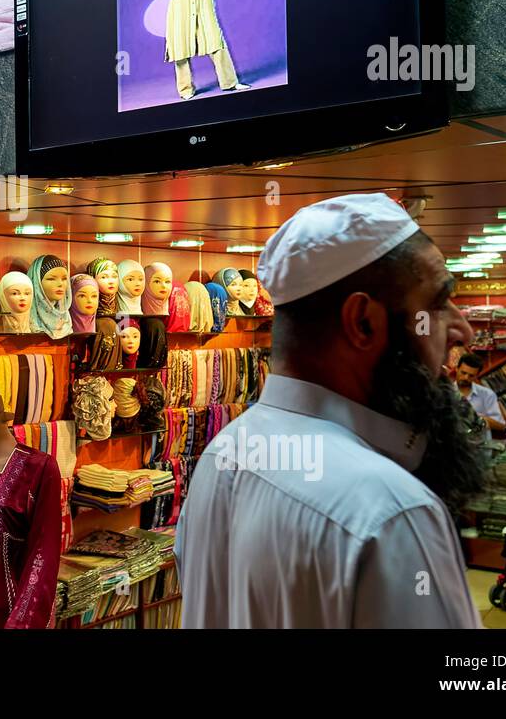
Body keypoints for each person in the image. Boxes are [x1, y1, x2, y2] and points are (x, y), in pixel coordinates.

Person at [175, 192, 488, 628]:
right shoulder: (391, 512)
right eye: (436, 305)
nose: (463, 330)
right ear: (363, 322)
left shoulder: (224, 454)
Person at [453, 352, 506, 436]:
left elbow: (501, 425)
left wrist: (475, 418)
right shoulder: (444, 392)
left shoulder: (487, 395)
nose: (466, 378)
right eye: (463, 373)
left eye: (471, 375)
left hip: (480, 447)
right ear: (456, 369)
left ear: (477, 376)